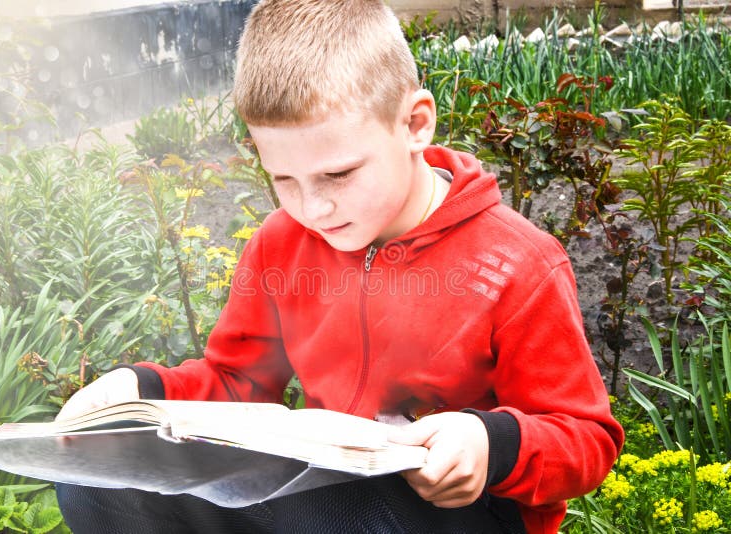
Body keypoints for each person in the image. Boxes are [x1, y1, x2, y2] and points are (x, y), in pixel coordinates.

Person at [55, 1, 624, 532]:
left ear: (415, 123)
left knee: (338, 508)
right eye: (283, 180)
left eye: (338, 175)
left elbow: (587, 439)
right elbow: (238, 382)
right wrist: (139, 390)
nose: (313, 207)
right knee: (99, 483)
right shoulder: (282, 243)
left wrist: (486, 442)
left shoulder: (517, 262)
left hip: (452, 509)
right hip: (319, 492)